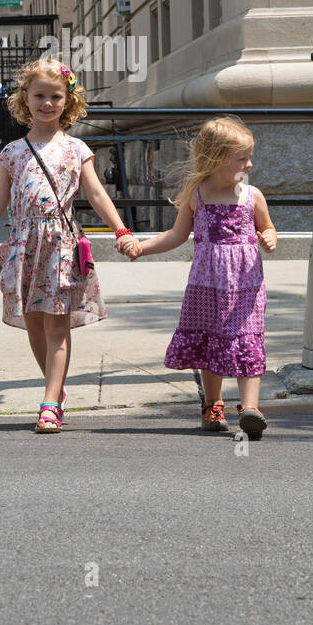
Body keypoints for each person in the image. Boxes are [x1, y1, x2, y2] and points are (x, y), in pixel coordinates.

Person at [0, 58, 135, 433]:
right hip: (23, 244)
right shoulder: (12, 152)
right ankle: (55, 392)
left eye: (55, 96)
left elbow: (95, 193)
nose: (47, 103)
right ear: (25, 98)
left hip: (60, 244)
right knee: (35, 326)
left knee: (57, 327)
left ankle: (48, 402)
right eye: (39, 95)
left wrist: (121, 230)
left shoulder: (76, 148)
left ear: (67, 101)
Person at [129, 117, 276, 439]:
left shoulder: (252, 196)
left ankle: (250, 407)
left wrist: (269, 237)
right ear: (215, 159)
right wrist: (143, 247)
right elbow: (176, 235)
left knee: (248, 337)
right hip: (206, 286)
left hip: (246, 285)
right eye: (241, 158)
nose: (249, 164)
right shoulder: (198, 195)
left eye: (249, 156)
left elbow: (266, 227)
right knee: (211, 340)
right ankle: (213, 404)